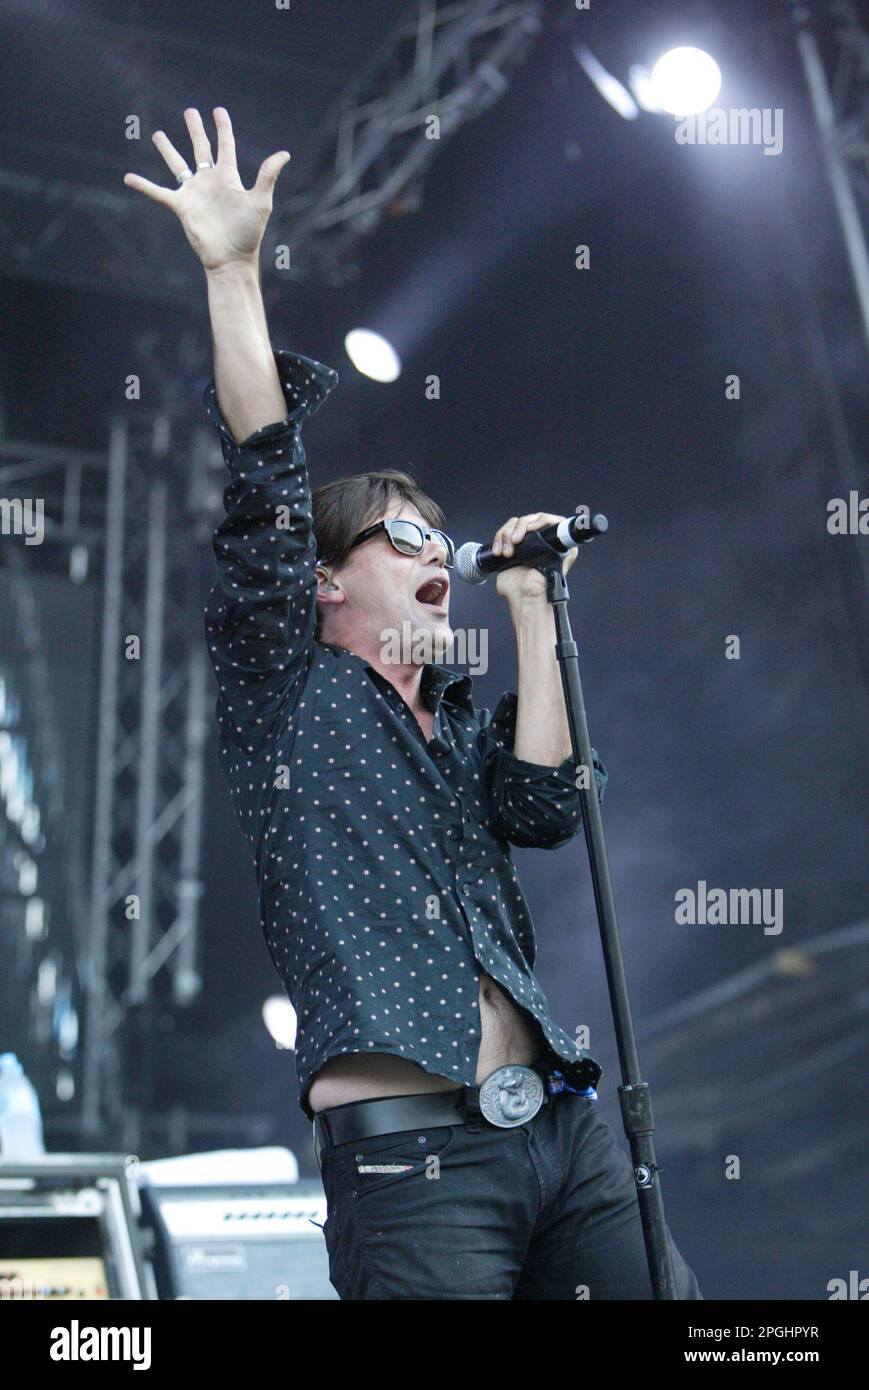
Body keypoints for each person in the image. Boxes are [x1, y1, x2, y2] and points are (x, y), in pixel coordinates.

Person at [124, 106, 702, 1301]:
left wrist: (535, 607)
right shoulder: (284, 683)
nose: (436, 550)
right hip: (416, 1160)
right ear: (325, 579)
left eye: (442, 537)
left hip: (558, 1126)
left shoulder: (451, 720)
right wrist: (234, 270)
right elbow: (267, 469)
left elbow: (545, 805)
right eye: (404, 535)